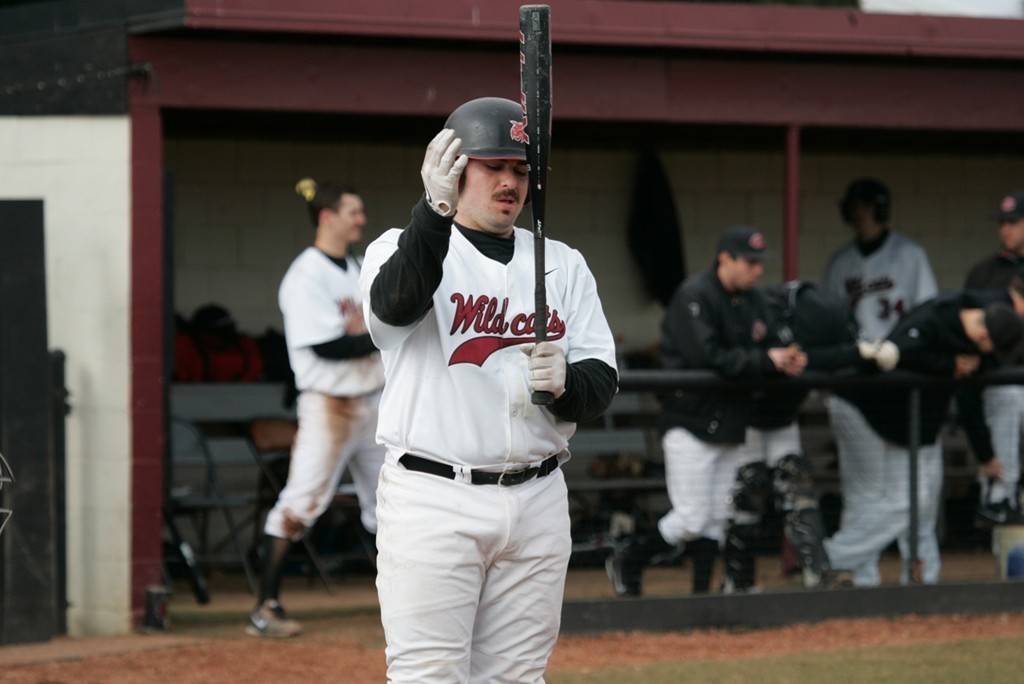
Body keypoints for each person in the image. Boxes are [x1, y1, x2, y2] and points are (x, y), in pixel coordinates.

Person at [357, 97, 618, 682]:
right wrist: (433, 212)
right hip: (433, 495)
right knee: (428, 674)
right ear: (453, 166)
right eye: (492, 165)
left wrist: (569, 384)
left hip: (538, 497)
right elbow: (392, 310)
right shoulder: (399, 246)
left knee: (519, 677)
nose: (509, 181)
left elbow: (602, 379)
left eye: (521, 169)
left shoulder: (563, 263)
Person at [606, 226, 809, 598]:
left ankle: (701, 595)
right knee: (691, 517)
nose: (757, 270)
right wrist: (766, 360)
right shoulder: (693, 296)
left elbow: (776, 336)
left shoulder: (751, 300)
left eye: (759, 263)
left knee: (718, 519)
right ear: (725, 259)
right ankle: (629, 557)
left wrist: (788, 354)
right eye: (749, 262)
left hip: (730, 423)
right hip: (690, 423)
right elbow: (712, 358)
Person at [246, 179, 386, 638]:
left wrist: (361, 333)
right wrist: (371, 336)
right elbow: (328, 347)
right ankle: (265, 608)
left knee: (392, 504)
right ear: (327, 216)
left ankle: (407, 604)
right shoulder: (306, 274)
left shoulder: (360, 266)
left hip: (375, 400)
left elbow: (368, 329)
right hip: (329, 405)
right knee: (301, 502)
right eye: (353, 212)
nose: (361, 220)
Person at [825, 294, 1024, 587]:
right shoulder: (933, 320)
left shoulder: (973, 327)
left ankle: (919, 580)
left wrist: (985, 454)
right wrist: (946, 365)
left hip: (910, 425)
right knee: (884, 500)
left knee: (922, 503)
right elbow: (893, 355)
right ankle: (834, 561)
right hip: (863, 409)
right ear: (984, 333)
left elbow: (974, 385)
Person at [820, 177, 939, 585]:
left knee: (915, 494)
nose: (859, 212)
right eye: (854, 204)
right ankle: (858, 574)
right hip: (861, 382)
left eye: (866, 205)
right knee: (863, 491)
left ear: (881, 208)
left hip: (903, 379)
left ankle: (919, 575)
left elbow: (926, 313)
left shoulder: (910, 255)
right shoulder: (841, 262)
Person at [959, 190, 1024, 525]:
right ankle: (1000, 495)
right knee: (1009, 397)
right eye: (1002, 223)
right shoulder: (984, 273)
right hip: (999, 379)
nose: (1005, 230)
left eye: (1013, 222)